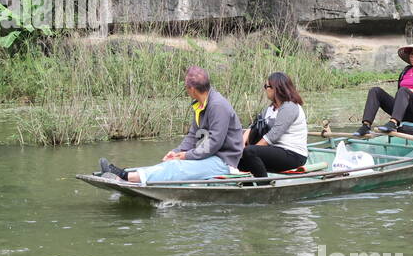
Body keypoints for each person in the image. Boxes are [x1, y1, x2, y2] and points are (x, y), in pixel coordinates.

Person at [98, 66, 243, 185]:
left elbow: (213, 143)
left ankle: (123, 176)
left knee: (176, 166)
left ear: (192, 89)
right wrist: (176, 152)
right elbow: (193, 136)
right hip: (209, 156)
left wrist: (186, 155)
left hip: (223, 161)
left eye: (186, 87)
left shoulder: (218, 106)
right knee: (171, 163)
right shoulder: (200, 105)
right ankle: (124, 175)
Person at [353, 40, 413, 136]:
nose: (412, 56)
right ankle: (366, 126)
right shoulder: (405, 71)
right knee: (375, 91)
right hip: (405, 113)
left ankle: (393, 123)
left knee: (403, 90)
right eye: (411, 54)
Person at [238, 72, 309, 177]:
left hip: (293, 154)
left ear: (276, 88)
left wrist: (248, 152)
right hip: (275, 151)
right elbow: (253, 127)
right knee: (239, 159)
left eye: (266, 86)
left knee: (250, 152)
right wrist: (241, 145)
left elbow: (273, 136)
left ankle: (265, 187)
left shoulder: (289, 107)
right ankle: (246, 188)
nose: (265, 89)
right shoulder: (270, 109)